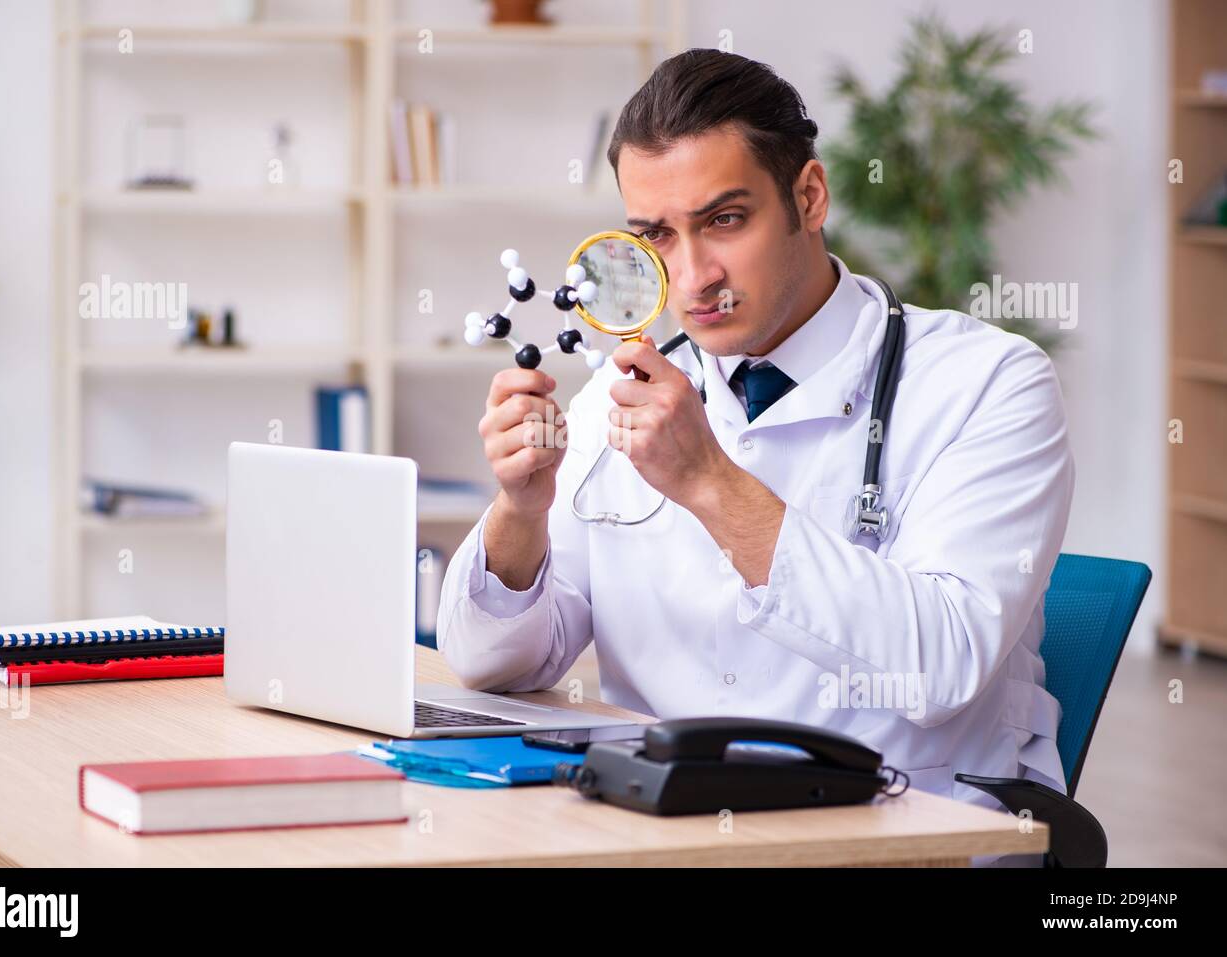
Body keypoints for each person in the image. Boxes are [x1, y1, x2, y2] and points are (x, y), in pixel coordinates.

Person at [436, 49, 1074, 863]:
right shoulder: (617, 396)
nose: (693, 277)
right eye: (656, 236)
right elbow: (490, 665)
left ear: (809, 196)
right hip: (665, 831)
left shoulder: (987, 382)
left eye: (725, 220)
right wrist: (520, 512)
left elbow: (940, 665)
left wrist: (708, 481)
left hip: (905, 832)